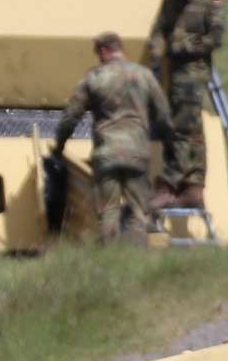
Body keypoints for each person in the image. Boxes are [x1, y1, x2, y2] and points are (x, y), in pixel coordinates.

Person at [54, 32, 172, 242]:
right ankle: (137, 259)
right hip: (137, 152)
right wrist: (162, 140)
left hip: (106, 153)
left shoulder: (94, 78)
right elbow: (163, 113)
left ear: (104, 51)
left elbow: (71, 116)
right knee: (139, 211)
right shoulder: (144, 75)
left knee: (108, 211)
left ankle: (112, 256)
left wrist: (59, 145)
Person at [149, 0, 227, 211]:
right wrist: (158, 56)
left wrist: (185, 46)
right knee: (192, 132)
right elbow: (159, 30)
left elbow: (215, 38)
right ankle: (193, 188)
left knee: (181, 127)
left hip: (194, 71)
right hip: (173, 72)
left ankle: (169, 184)